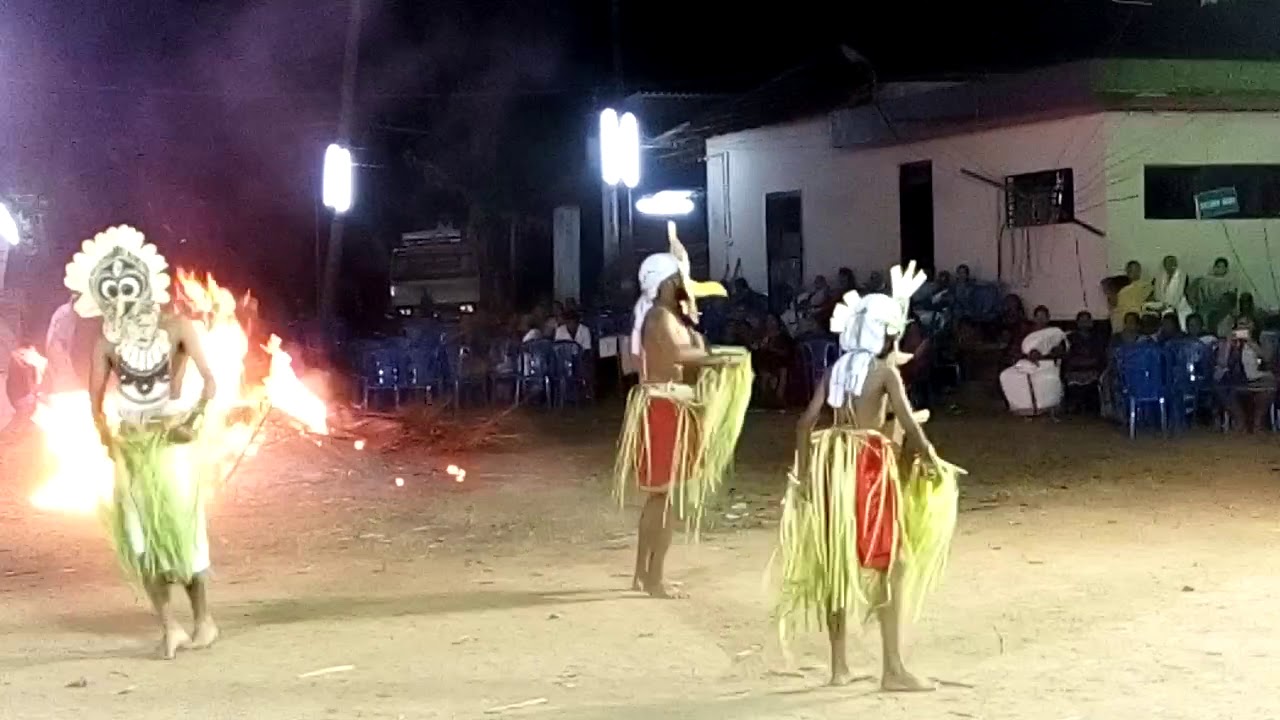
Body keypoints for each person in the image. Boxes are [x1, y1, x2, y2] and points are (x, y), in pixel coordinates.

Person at [778, 262, 959, 691]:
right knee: (892, 563)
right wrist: (930, 454)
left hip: (830, 466)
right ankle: (892, 669)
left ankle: (839, 667)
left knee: (837, 564)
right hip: (868, 469)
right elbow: (909, 426)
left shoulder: (837, 368)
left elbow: (805, 424)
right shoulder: (883, 372)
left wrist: (803, 477)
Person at [70, 225, 220, 659]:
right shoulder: (105, 342)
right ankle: (169, 627)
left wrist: (192, 419)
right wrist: (107, 437)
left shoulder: (178, 328)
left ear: (148, 282)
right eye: (110, 288)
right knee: (140, 537)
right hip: (132, 449)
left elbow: (211, 381)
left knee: (184, 533)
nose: (121, 296)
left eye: (127, 283)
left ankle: (204, 620)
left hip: (172, 444)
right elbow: (95, 400)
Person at [614, 224, 750, 599]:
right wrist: (722, 357)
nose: (684, 284)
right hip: (663, 408)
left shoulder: (670, 315)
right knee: (664, 496)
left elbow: (691, 348)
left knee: (660, 496)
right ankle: (652, 577)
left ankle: (645, 573)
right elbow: (678, 356)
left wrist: (699, 329)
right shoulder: (658, 317)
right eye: (678, 278)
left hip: (670, 406)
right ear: (664, 282)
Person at [999, 306, 1067, 416]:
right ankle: (1021, 407)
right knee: (1007, 375)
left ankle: (1049, 406)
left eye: (1043, 317)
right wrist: (1027, 357)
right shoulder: (1027, 333)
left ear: (1048, 318)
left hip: (1047, 363)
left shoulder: (1054, 333)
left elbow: (1060, 351)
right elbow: (1019, 349)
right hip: (1027, 363)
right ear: (1034, 318)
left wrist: (1044, 355)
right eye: (1038, 317)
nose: (1040, 320)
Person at [1215, 317, 1275, 432]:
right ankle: (1239, 419)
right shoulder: (1228, 341)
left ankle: (1258, 421)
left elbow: (1267, 357)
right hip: (1235, 378)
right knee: (1220, 387)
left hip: (1257, 376)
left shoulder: (1262, 339)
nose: (1243, 327)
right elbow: (1221, 363)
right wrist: (1228, 344)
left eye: (1246, 324)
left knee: (1269, 386)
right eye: (1240, 324)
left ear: (1254, 326)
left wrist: (1251, 342)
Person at [1062, 311, 1107, 413]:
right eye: (1082, 320)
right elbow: (1068, 358)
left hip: (1093, 373)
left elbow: (1100, 358)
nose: (1084, 323)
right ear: (1077, 323)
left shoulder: (1098, 338)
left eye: (1087, 320)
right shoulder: (1070, 338)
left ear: (1091, 322)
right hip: (1074, 373)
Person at [751, 314, 793, 407]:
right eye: (768, 321)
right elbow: (756, 350)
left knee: (783, 371)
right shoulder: (761, 336)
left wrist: (772, 348)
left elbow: (787, 352)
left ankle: (779, 398)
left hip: (780, 363)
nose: (770, 323)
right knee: (764, 373)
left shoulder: (783, 336)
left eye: (772, 320)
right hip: (764, 362)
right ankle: (763, 398)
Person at [1191, 257, 1237, 335]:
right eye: (1218, 267)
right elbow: (1199, 295)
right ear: (1214, 267)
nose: (1220, 269)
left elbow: (1231, 297)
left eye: (1223, 267)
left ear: (1226, 269)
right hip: (1207, 305)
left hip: (1223, 307)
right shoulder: (1205, 280)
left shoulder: (1230, 281)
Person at [1150, 255, 1192, 329]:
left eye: (1174, 262)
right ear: (1165, 265)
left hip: (1179, 306)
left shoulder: (1183, 277)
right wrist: (1161, 305)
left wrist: (1169, 306)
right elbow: (1157, 295)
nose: (1172, 265)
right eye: (1169, 263)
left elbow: (1180, 295)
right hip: (1161, 305)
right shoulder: (1158, 278)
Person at [1112, 261, 1153, 335]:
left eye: (1137, 270)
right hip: (1121, 319)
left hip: (1138, 318)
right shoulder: (1119, 287)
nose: (1134, 273)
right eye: (1131, 270)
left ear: (1140, 271)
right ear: (1127, 271)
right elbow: (1114, 304)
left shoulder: (1146, 286)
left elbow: (1149, 302)